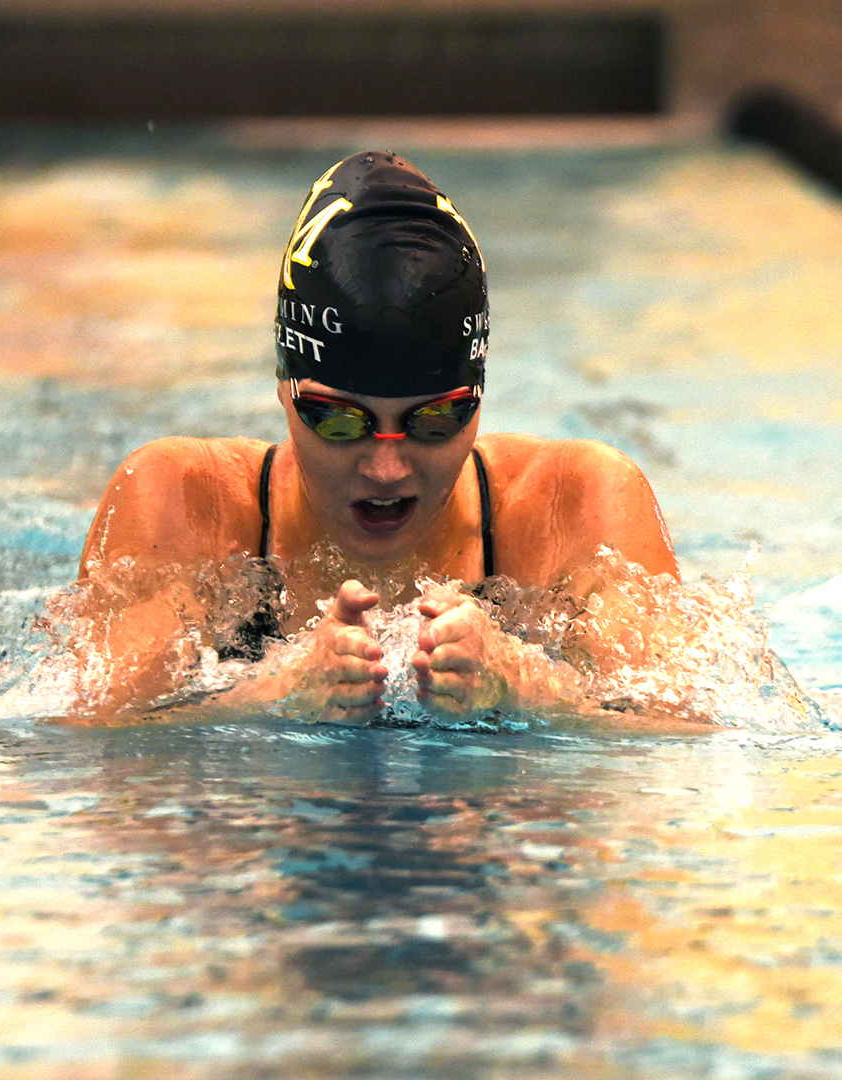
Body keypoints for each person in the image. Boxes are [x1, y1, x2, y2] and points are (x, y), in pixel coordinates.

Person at [73, 151, 684, 725]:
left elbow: (691, 740)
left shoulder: (570, 509)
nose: (387, 467)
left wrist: (526, 685)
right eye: (340, 420)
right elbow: (78, 740)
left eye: (433, 420)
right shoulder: (186, 507)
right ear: (285, 386)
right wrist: (270, 693)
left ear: (476, 399)